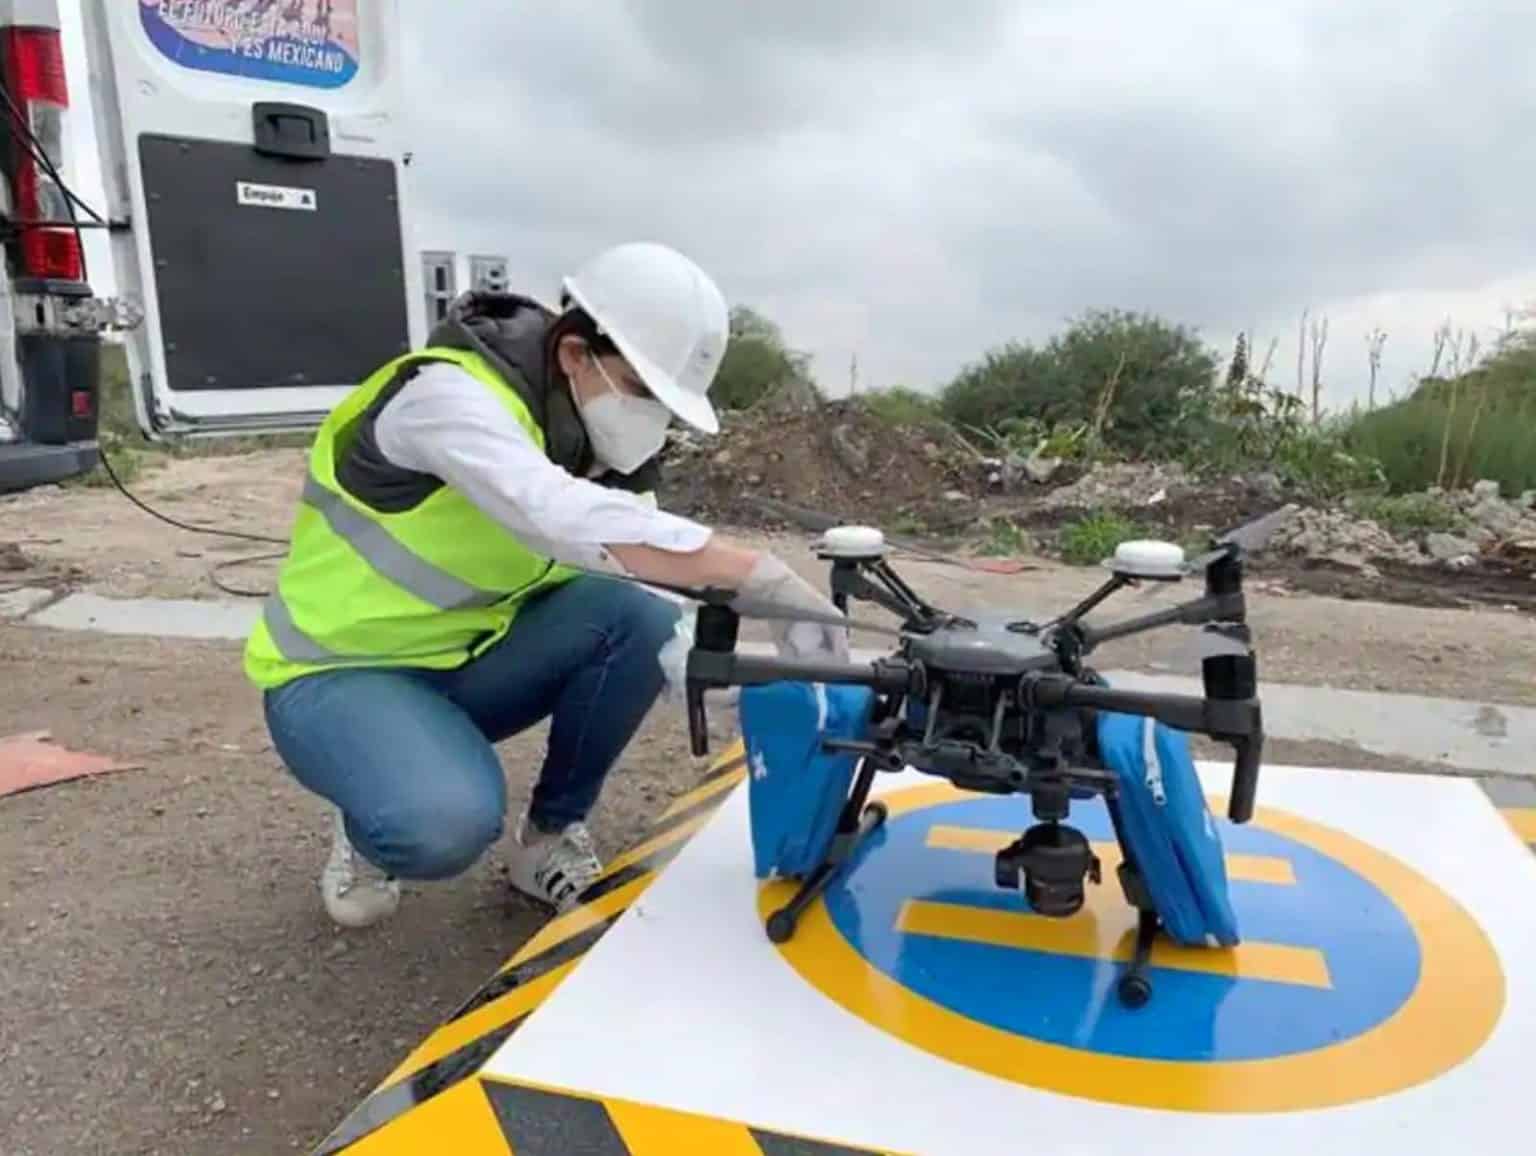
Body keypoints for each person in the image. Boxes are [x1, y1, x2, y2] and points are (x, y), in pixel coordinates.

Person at [242, 241, 848, 928]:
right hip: (339, 674)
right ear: (573, 354)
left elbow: (649, 577)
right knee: (441, 824)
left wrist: (722, 674)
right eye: (645, 392)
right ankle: (370, 816)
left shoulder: (591, 447)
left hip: (468, 664)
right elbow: (549, 511)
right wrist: (755, 576)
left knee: (639, 619)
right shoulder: (445, 396)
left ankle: (548, 840)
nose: (653, 421)